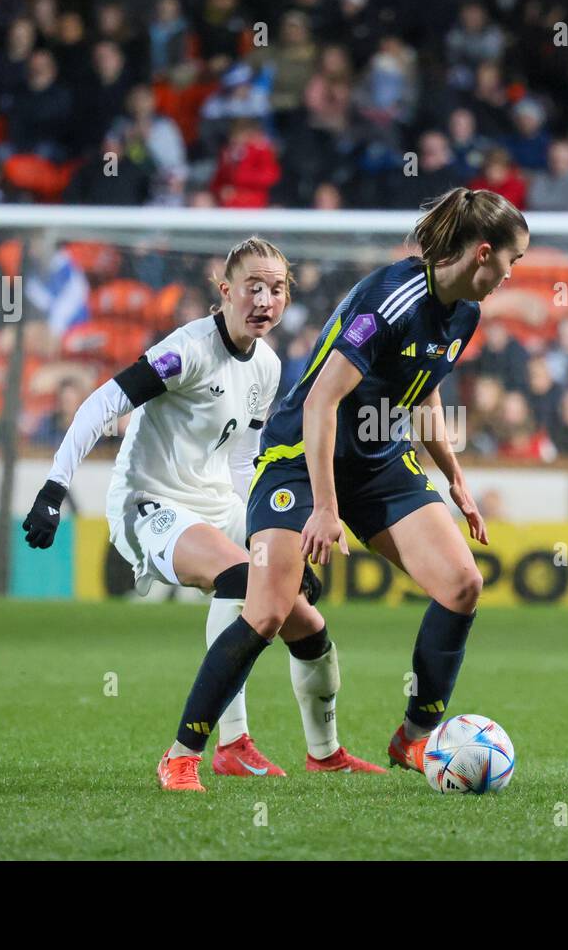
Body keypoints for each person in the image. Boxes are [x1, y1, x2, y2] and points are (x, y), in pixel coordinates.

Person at [168, 188, 527, 791]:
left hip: (379, 461)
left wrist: (456, 479)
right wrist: (326, 508)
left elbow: (424, 389)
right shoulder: (389, 299)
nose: (513, 276)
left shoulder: (464, 313)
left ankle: (413, 740)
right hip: (298, 457)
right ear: (484, 254)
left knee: (463, 585)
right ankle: (182, 754)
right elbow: (320, 401)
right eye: (513, 262)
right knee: (267, 611)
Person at [21, 237, 382, 790]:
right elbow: (102, 404)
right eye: (253, 288)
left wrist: (264, 529)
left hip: (220, 504)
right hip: (152, 505)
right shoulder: (186, 350)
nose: (265, 300)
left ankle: (325, 753)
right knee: (241, 580)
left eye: (277, 289)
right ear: (225, 292)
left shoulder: (266, 364)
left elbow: (244, 457)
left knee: (306, 621)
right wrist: (53, 487)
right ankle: (218, 746)